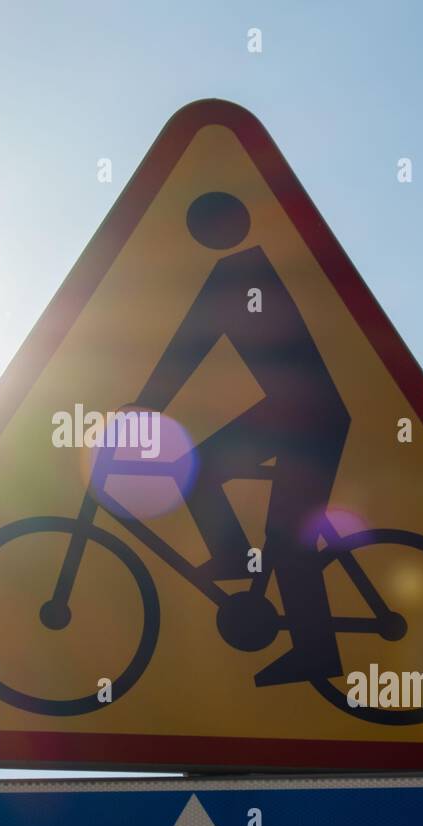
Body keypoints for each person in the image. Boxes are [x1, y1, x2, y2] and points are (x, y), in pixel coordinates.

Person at [133, 191, 351, 684]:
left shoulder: (244, 277)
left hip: (306, 418)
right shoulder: (235, 276)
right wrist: (148, 405)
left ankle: (316, 652)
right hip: (291, 414)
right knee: (198, 466)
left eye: (206, 224)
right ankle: (233, 557)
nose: (203, 234)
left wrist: (146, 406)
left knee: (287, 539)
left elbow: (190, 348)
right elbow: (189, 345)